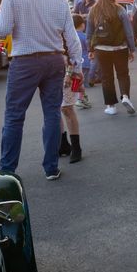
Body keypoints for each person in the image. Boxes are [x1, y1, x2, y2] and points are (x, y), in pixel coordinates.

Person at [0, 0, 82, 179]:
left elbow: (2, 29)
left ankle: (7, 170)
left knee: (14, 116)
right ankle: (51, 168)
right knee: (52, 113)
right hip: (54, 59)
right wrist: (77, 66)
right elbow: (72, 37)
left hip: (25, 61)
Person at [88, 0, 136, 114]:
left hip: (101, 49)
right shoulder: (119, 9)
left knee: (106, 77)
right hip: (120, 47)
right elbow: (128, 31)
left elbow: (89, 32)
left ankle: (111, 106)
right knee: (123, 74)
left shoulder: (93, 11)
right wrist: (132, 48)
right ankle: (125, 96)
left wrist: (90, 49)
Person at [58, 14, 85, 165]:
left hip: (67, 73)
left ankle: (76, 147)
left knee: (67, 108)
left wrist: (71, 73)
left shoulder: (67, 30)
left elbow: (74, 53)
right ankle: (62, 144)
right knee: (54, 109)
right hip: (47, 72)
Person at [72, 13, 91, 109]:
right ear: (82, 25)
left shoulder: (71, 36)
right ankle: (80, 99)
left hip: (74, 62)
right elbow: (89, 48)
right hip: (85, 62)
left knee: (76, 80)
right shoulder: (84, 36)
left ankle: (78, 97)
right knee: (81, 82)